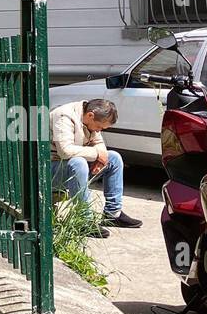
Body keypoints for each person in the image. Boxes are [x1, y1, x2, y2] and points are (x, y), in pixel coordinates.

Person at [49, 98, 142, 235]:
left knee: (114, 158)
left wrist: (101, 157)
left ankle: (112, 214)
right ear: (90, 115)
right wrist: (97, 154)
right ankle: (84, 221)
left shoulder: (89, 118)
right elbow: (65, 151)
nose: (99, 130)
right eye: (99, 127)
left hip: (71, 165)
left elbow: (99, 143)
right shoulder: (64, 116)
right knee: (79, 162)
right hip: (49, 171)